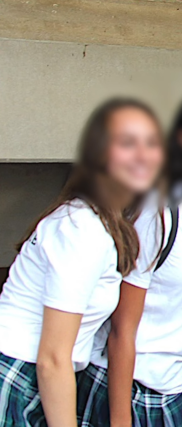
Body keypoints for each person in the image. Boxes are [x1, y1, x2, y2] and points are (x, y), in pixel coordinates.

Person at [76, 89, 182, 427]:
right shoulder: (158, 212)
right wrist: (120, 419)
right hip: (128, 387)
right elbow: (121, 330)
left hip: (176, 388)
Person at [0, 98, 164, 426]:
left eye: (151, 143)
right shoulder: (81, 227)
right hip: (22, 373)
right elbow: (52, 358)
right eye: (127, 143)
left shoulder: (106, 221)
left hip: (38, 376)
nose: (143, 155)